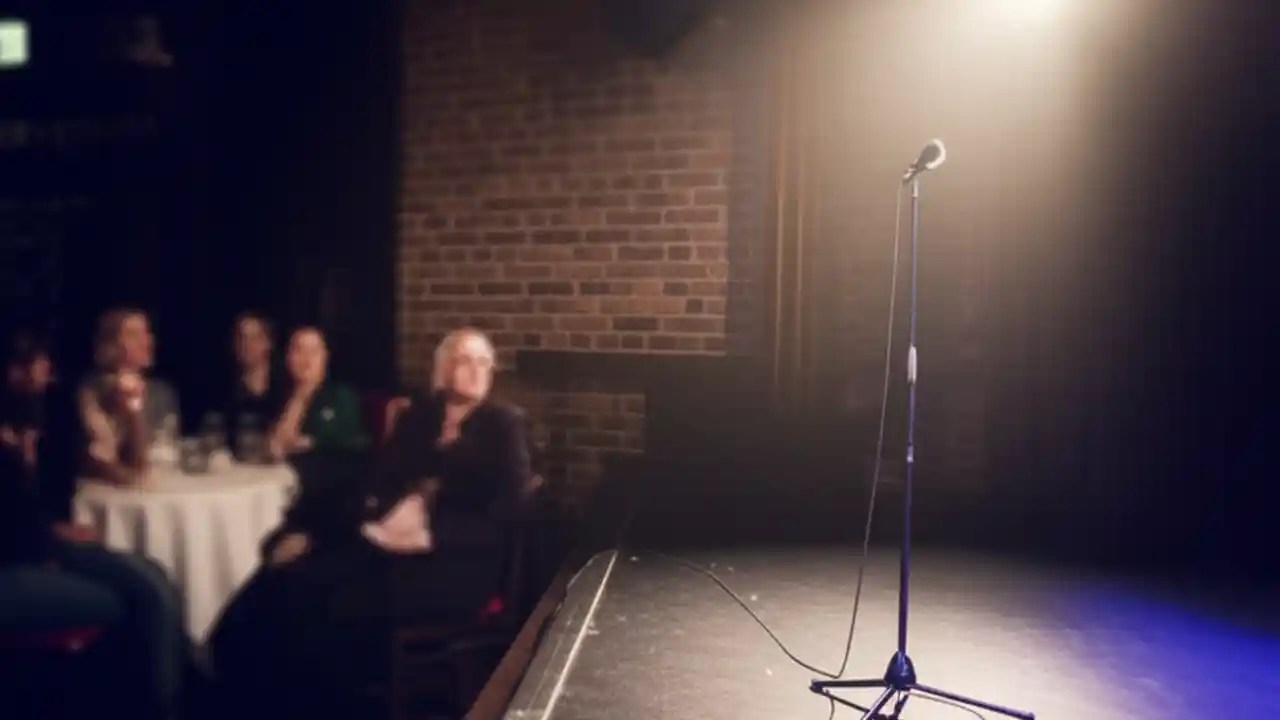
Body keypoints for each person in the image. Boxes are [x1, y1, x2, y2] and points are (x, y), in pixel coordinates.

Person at [209, 327, 534, 716]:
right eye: (464, 360)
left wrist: (432, 535)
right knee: (287, 576)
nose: (477, 370)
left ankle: (328, 703)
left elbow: (512, 510)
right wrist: (319, 533)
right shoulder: (420, 416)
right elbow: (377, 484)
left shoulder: (503, 424)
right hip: (387, 543)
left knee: (332, 600)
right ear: (441, 369)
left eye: (484, 362)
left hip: (455, 563)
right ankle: (241, 687)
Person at [0, 331, 186, 719]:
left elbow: (116, 472)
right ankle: (159, 706)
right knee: (136, 599)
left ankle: (165, 699)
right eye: (36, 365)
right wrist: (45, 533)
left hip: (47, 540)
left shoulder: (40, 417)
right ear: (12, 371)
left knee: (155, 577)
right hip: (17, 557)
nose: (46, 373)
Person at [79, 308, 181, 485]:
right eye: (133, 335)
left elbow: (169, 449)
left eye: (147, 333)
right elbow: (125, 462)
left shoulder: (161, 391)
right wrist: (133, 410)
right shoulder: (92, 393)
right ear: (111, 345)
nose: (146, 341)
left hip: (158, 484)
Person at [266, 326, 367, 460]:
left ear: (325, 357)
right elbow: (270, 444)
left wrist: (311, 444)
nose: (306, 360)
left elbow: (352, 443)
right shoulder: (279, 395)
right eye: (299, 351)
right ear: (288, 358)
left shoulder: (342, 397)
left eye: (313, 352)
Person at [225, 312, 283, 459]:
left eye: (255, 338)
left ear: (268, 343)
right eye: (242, 338)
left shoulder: (284, 384)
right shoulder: (225, 388)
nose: (247, 345)